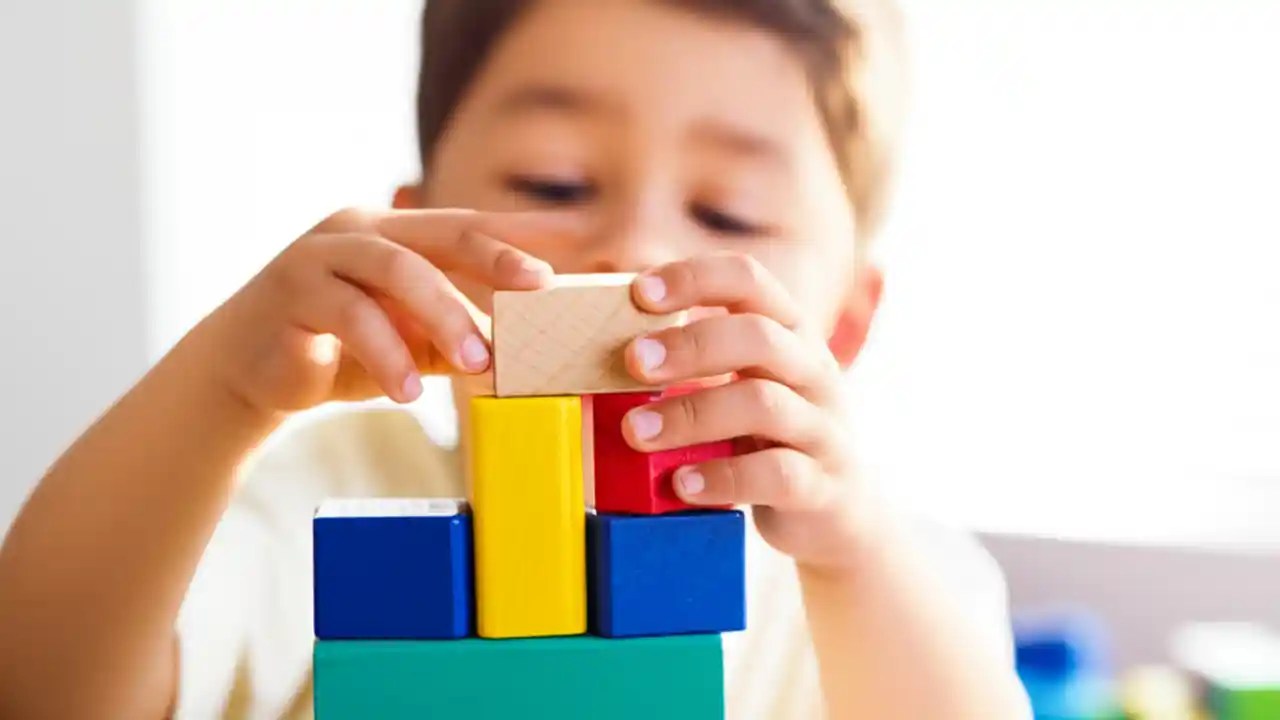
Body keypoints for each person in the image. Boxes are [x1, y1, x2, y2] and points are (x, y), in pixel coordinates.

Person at [0, 0, 1031, 717]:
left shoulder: (882, 580)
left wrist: (852, 553)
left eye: (728, 213)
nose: (632, 253)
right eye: (552, 184)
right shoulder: (330, 502)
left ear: (839, 327)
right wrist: (218, 394)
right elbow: (40, 691)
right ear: (414, 242)